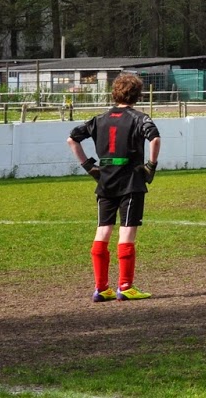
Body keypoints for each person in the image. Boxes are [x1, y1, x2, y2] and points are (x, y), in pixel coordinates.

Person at [67, 72, 162, 302]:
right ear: (137, 95)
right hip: (131, 181)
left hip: (105, 181)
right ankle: (126, 286)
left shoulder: (99, 119)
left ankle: (101, 288)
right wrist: (151, 166)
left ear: (114, 93)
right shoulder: (140, 118)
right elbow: (155, 139)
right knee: (127, 231)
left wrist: (89, 166)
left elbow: (72, 139)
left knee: (103, 230)